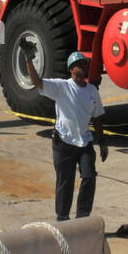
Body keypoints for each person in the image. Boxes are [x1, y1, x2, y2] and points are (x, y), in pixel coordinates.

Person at [24, 49, 108, 221]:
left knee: (89, 176)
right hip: (63, 143)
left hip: (84, 142)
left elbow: (97, 117)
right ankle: (62, 219)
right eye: (79, 64)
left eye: (85, 63)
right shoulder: (61, 87)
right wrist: (28, 60)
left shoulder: (92, 91)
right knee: (65, 182)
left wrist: (102, 142)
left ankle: (83, 216)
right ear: (71, 69)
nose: (83, 66)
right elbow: (37, 82)